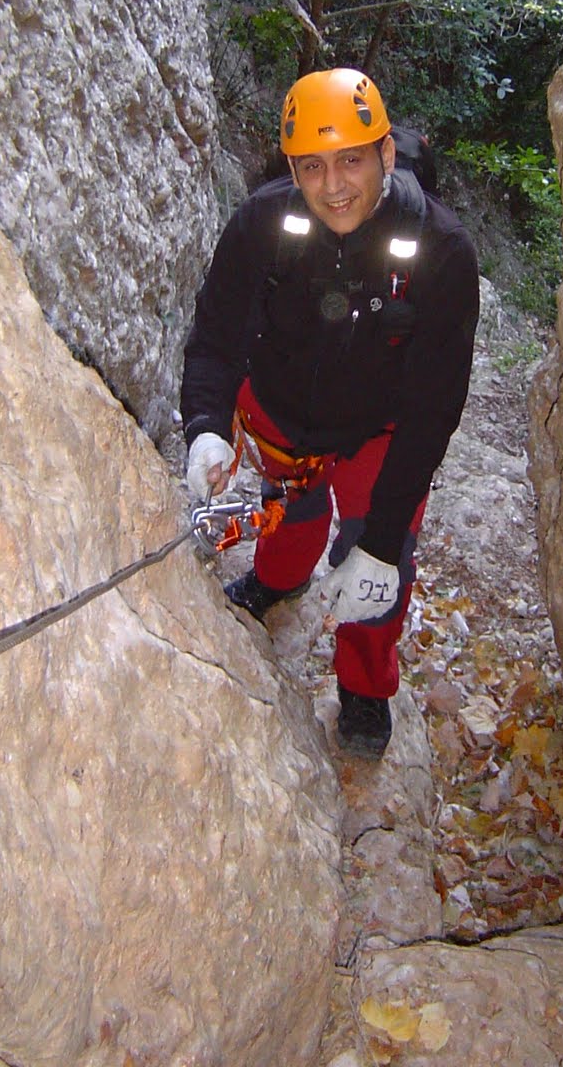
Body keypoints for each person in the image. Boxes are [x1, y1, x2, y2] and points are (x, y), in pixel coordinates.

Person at [181, 68, 480, 758]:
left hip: (381, 430)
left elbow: (434, 408)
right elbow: (217, 338)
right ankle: (279, 580)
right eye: (312, 168)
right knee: (291, 510)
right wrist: (203, 429)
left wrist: (380, 540)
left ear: (385, 156)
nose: (335, 185)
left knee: (379, 569)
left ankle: (365, 687)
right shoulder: (263, 223)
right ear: (292, 169)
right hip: (283, 413)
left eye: (352, 160)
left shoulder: (440, 249)